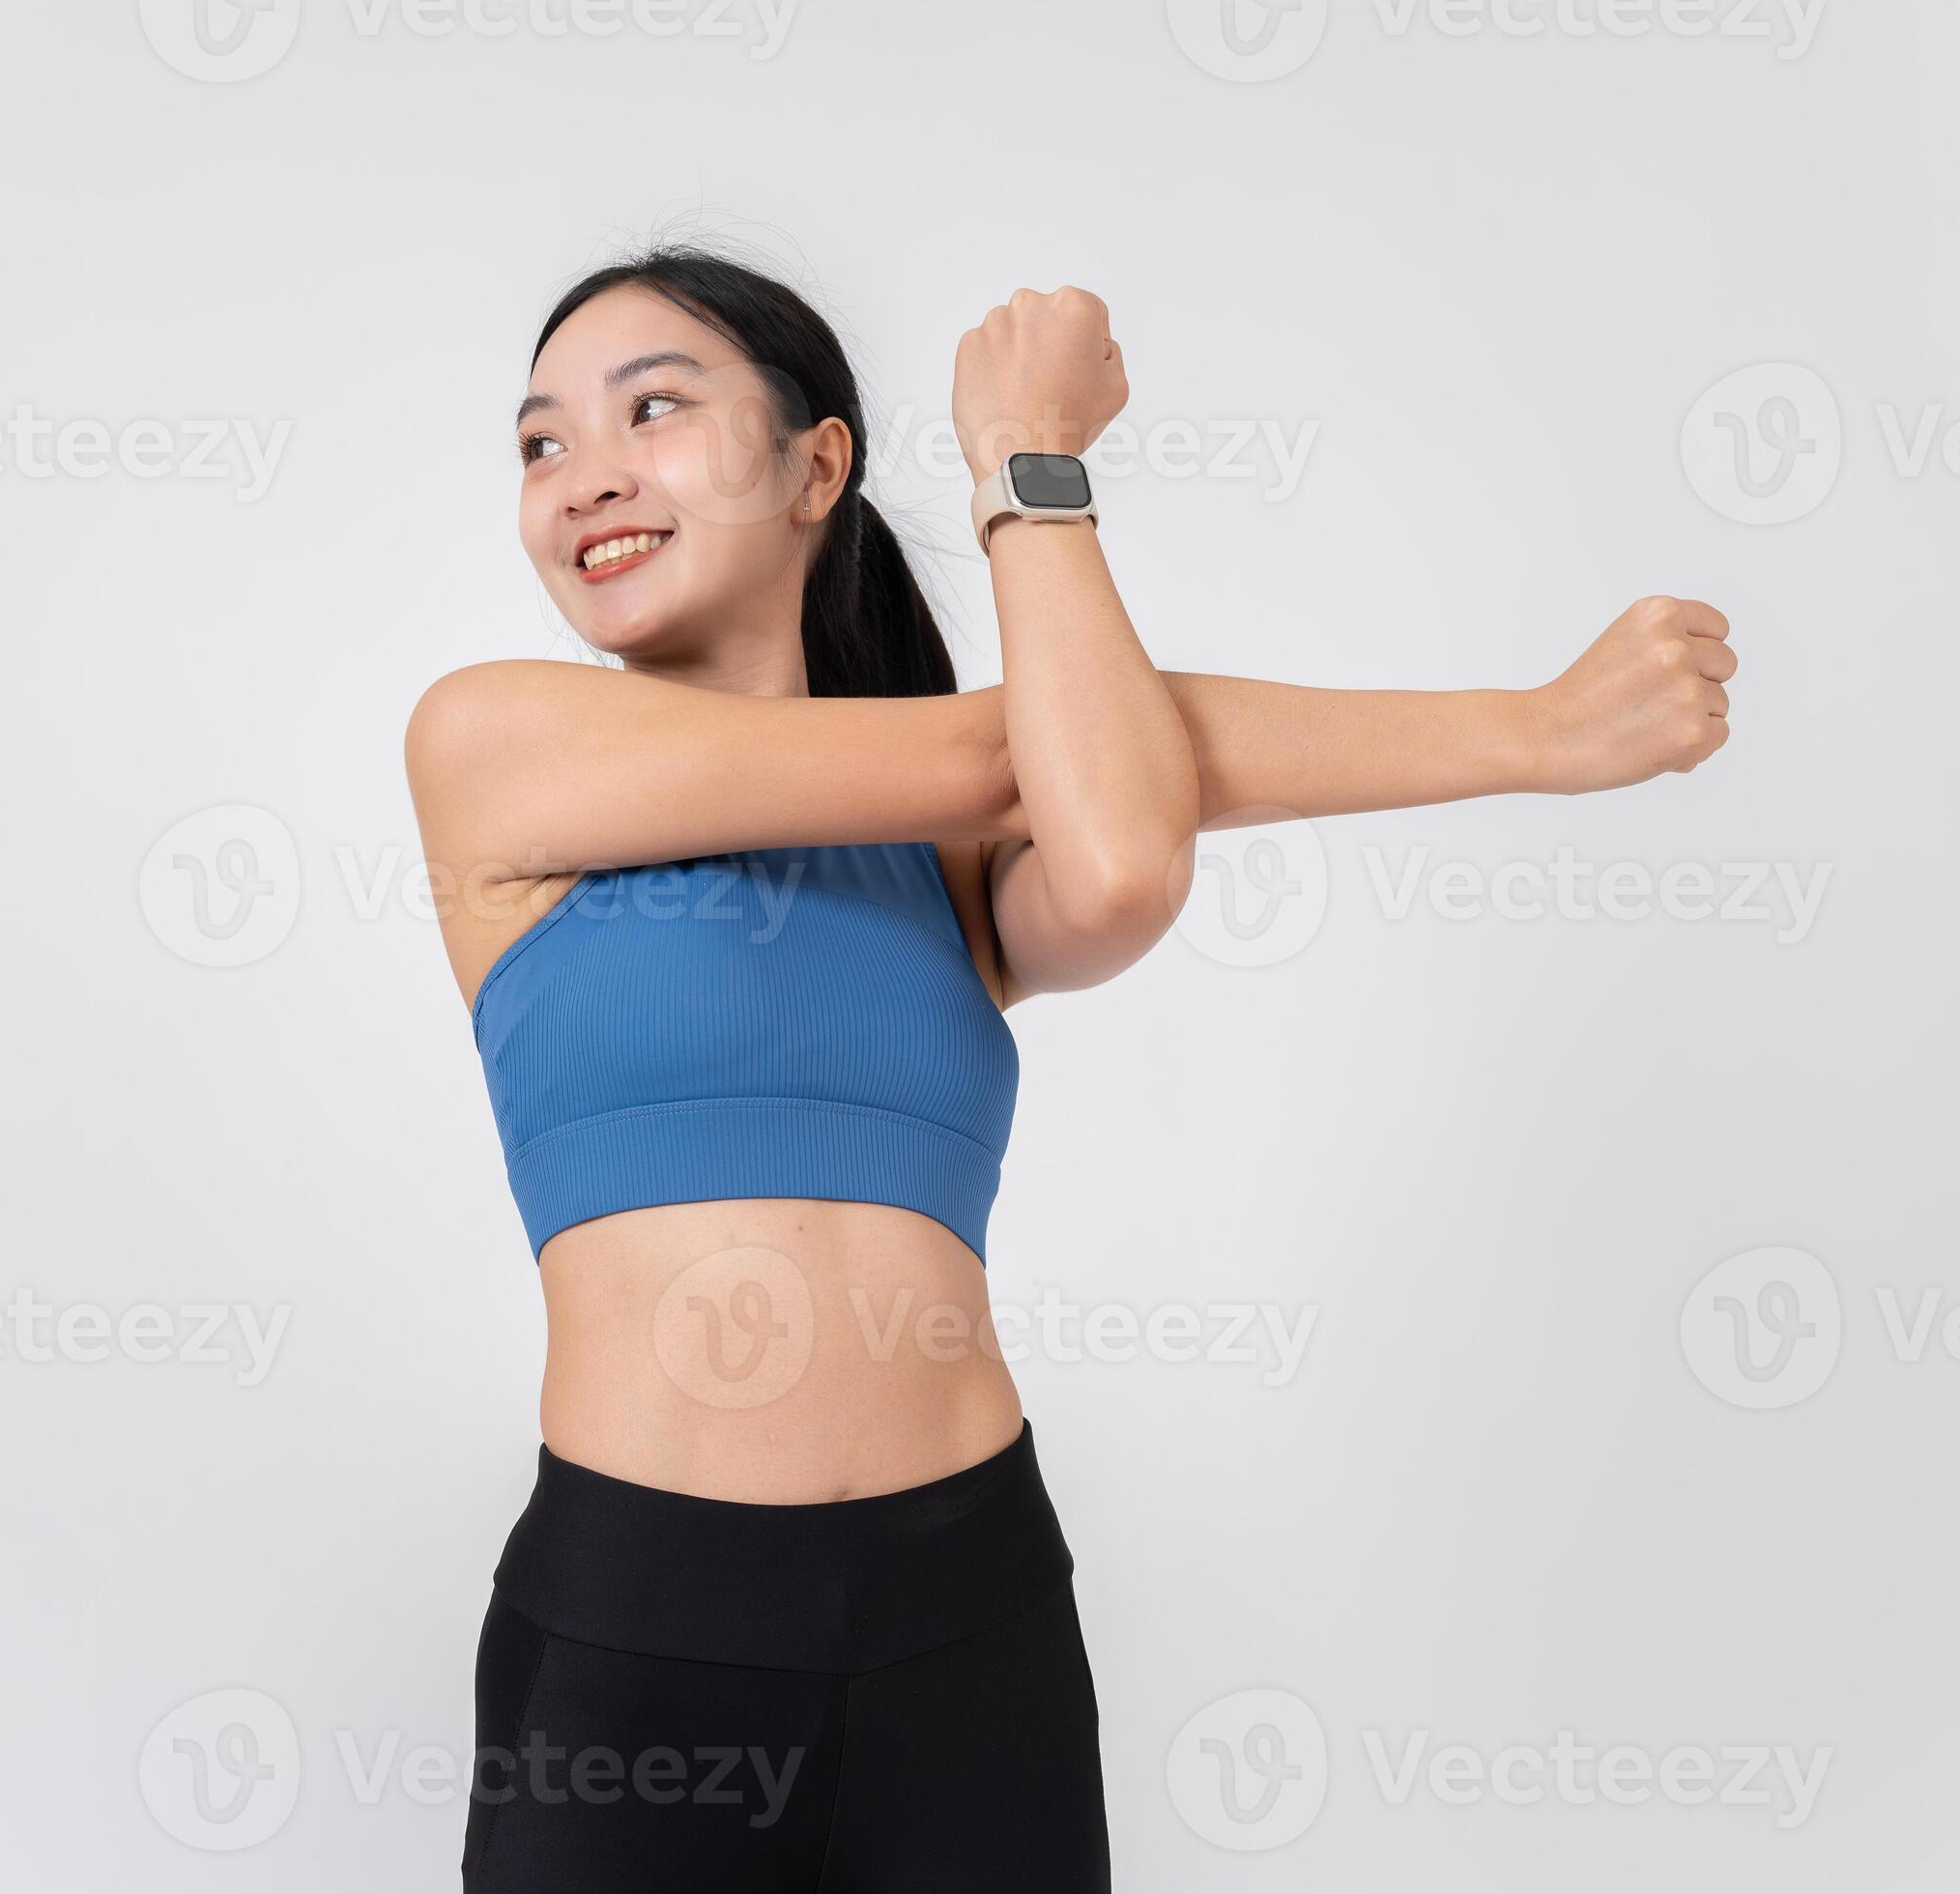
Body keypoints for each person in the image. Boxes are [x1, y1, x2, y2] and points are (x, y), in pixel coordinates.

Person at [406, 245, 1737, 1890]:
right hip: (640, 1625)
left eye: (652, 409)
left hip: (969, 1608)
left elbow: (1115, 849)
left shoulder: (945, 862)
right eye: (539, 443)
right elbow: (1014, 749)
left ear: (817, 463)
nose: (583, 475)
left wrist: (1548, 730)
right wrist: (1029, 467)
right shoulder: (492, 743)